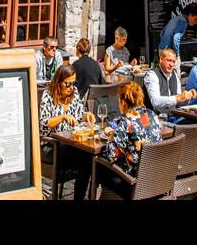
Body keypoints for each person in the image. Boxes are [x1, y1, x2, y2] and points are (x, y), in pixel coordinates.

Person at [39, 65, 94, 199]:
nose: (71, 88)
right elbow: (43, 124)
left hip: (70, 144)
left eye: (73, 83)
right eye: (68, 84)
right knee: (83, 156)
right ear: (59, 82)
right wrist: (62, 117)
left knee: (89, 159)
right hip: (51, 145)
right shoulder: (48, 96)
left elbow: (80, 114)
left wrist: (86, 115)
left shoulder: (74, 94)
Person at [98, 80, 162, 175]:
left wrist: (111, 135)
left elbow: (112, 155)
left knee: (98, 166)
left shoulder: (125, 122)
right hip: (154, 176)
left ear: (123, 102)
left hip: (132, 180)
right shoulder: (152, 115)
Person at [144, 47, 196, 115]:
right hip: (156, 118)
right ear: (161, 59)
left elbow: (178, 101)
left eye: (173, 61)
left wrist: (188, 96)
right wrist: (179, 98)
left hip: (173, 115)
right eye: (169, 60)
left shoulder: (174, 74)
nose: (171, 64)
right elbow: (155, 101)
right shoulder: (152, 75)